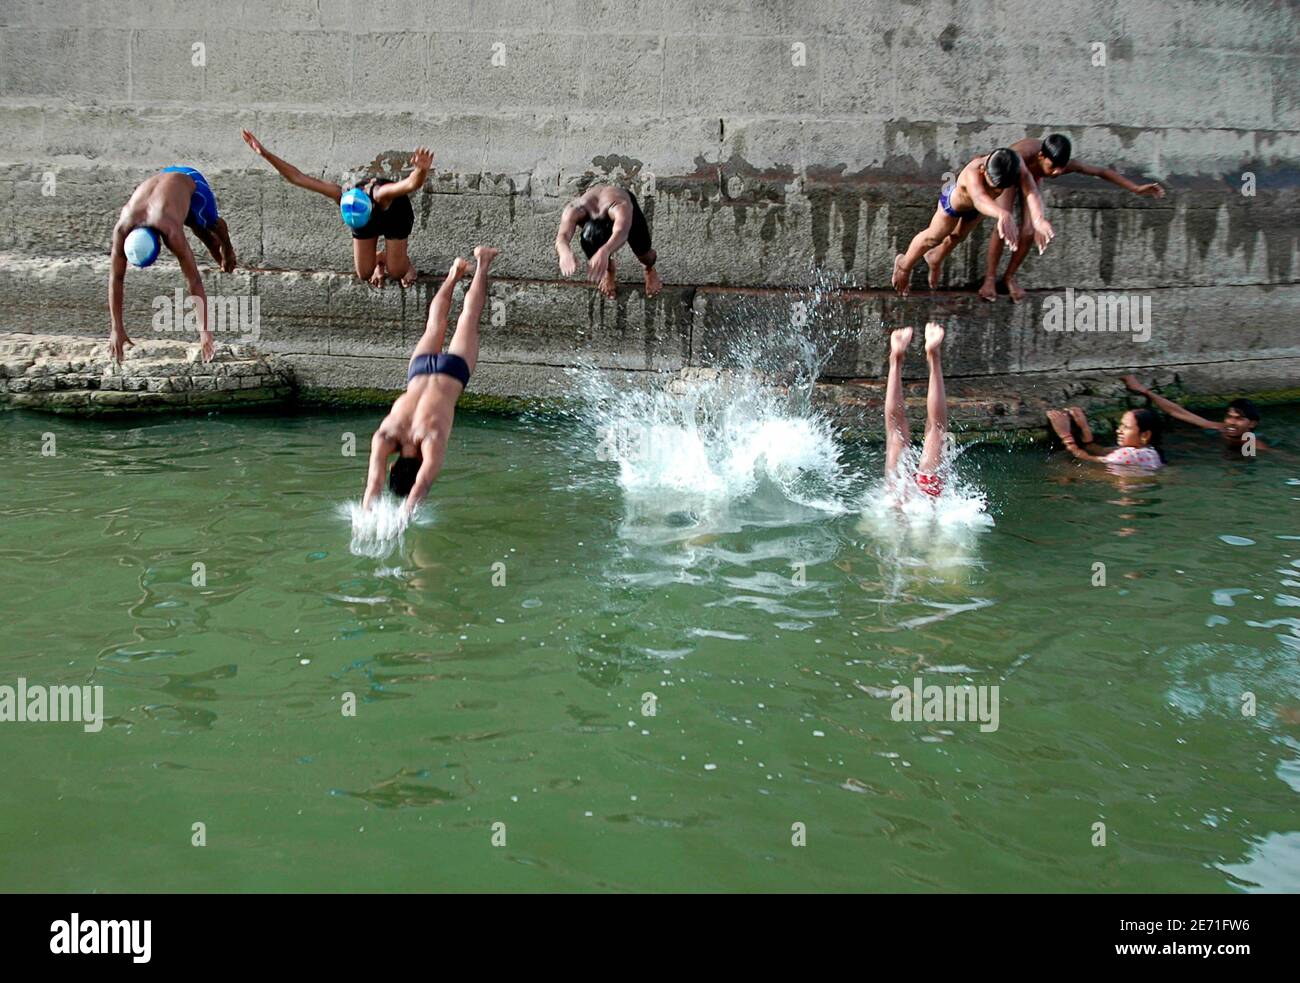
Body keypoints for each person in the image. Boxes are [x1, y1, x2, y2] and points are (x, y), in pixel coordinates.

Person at [361, 246, 498, 517]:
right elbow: (373, 485)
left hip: (452, 373)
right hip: (419, 371)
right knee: (435, 324)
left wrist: (404, 518)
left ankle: (483, 261)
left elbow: (422, 485)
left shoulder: (431, 441)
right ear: (393, 466)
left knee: (468, 320)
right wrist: (366, 516)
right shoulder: (385, 437)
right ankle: (454, 274)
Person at [959, 134, 1165, 302]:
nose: (1057, 172)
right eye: (1053, 167)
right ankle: (990, 278)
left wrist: (1135, 188)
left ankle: (1009, 276)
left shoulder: (1060, 163)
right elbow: (996, 163)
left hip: (1033, 181)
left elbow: (1100, 171)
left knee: (1030, 230)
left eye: (1061, 168)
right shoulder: (1022, 155)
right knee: (1003, 224)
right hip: (1013, 177)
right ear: (1040, 156)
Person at [241, 129, 431, 287]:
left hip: (394, 214)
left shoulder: (383, 195)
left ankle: (399, 261)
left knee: (397, 271)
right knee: (364, 273)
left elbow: (410, 185)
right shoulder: (342, 196)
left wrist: (421, 170)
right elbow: (297, 178)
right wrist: (265, 154)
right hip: (362, 215)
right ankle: (381, 257)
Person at [108, 166, 235, 362]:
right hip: (166, 180)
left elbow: (194, 281)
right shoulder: (122, 228)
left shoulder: (171, 231)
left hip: (190, 180)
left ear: (160, 244)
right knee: (194, 224)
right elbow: (116, 278)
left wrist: (205, 333)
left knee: (210, 229)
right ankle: (222, 258)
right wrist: (117, 329)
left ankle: (228, 251)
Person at [892, 148, 1053, 297]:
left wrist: (1038, 219)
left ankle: (935, 258)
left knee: (957, 237)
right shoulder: (973, 172)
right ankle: (904, 265)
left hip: (979, 209)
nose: (997, 192)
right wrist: (1002, 213)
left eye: (1001, 189)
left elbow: (1031, 190)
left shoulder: (1016, 164)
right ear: (983, 171)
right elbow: (979, 199)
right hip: (954, 205)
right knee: (933, 238)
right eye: (994, 187)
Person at [555, 184, 662, 299]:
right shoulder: (575, 210)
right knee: (594, 246)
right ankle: (609, 270)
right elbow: (562, 236)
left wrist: (605, 251)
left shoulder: (619, 207)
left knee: (646, 255)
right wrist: (564, 252)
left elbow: (621, 232)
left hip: (626, 208)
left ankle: (649, 269)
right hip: (599, 210)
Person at [884, 321, 949, 498]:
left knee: (898, 433)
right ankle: (930, 356)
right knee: (901, 433)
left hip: (900, 501)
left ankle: (897, 359)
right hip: (921, 505)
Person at [1121, 375, 1265, 454]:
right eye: (1229, 417)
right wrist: (1143, 390)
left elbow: (1275, 455)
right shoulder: (1221, 428)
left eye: (1239, 419)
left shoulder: (1253, 444)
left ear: (1252, 424)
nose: (1232, 422)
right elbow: (1178, 412)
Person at [1047, 406, 1164, 469]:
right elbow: (1099, 450)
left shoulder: (1129, 454)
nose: (1119, 431)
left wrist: (1065, 435)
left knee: (1063, 469)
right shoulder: (1148, 451)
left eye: (1126, 427)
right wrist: (1084, 427)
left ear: (1145, 435)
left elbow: (1086, 458)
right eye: (1120, 425)